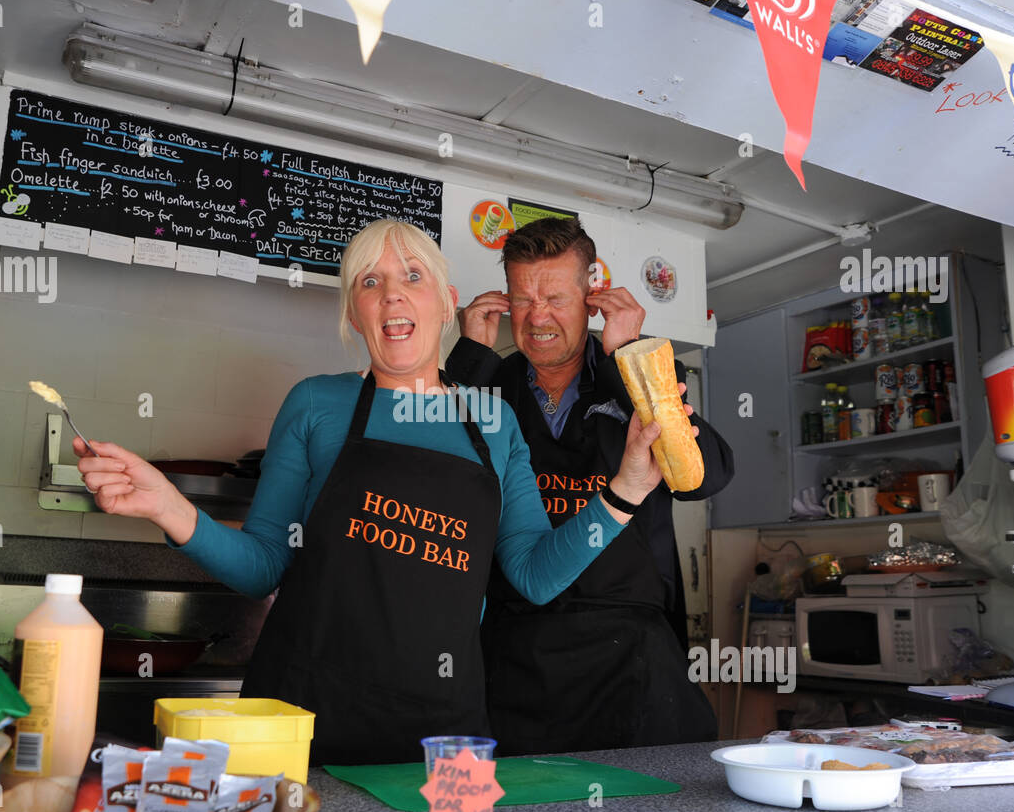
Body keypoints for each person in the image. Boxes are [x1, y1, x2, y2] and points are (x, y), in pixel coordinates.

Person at [74, 219, 667, 765]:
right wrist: (169, 508)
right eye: (370, 281)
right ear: (356, 314)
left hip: (446, 730)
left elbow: (536, 575)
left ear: (446, 305)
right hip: (300, 715)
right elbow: (262, 568)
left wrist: (626, 490)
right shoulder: (316, 404)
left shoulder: (493, 421)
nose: (392, 294)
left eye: (413, 277)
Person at [446, 217, 734, 755]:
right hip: (515, 650)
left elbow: (707, 475)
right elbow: (437, 488)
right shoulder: (490, 383)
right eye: (523, 298)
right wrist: (467, 367)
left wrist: (629, 359)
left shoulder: (632, 372)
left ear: (591, 296)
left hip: (629, 650)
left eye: (555, 297)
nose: (538, 317)